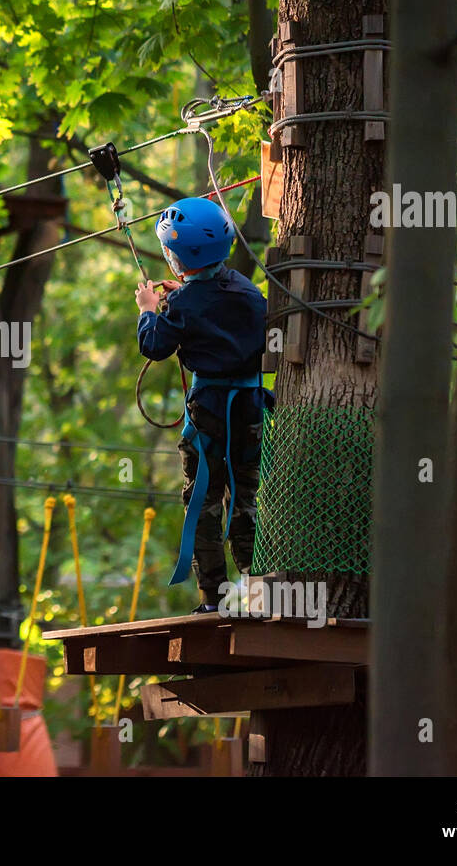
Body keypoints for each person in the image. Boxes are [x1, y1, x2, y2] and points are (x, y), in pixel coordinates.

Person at [134, 197, 271, 611]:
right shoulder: (248, 291)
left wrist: (149, 310)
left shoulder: (180, 305)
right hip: (249, 407)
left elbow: (155, 345)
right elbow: (218, 309)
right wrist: (185, 297)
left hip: (211, 413)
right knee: (247, 499)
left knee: (205, 502)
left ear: (176, 258)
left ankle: (215, 598)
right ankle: (260, 592)